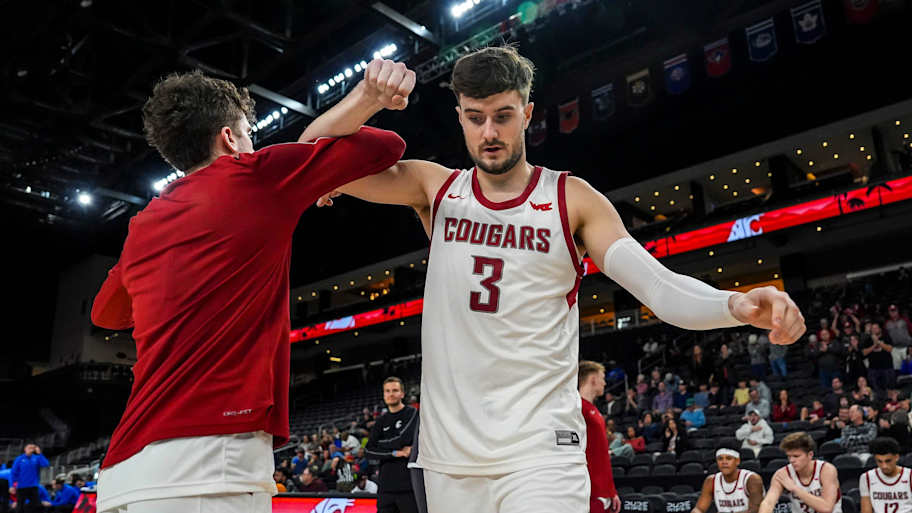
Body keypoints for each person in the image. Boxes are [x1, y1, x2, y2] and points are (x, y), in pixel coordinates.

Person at [317, 45, 806, 512]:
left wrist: (734, 305)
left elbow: (655, 285)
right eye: (475, 117)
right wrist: (367, 99)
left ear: (528, 114)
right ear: (460, 117)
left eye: (503, 115)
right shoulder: (434, 187)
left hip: (542, 450)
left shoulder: (572, 198)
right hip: (449, 457)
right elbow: (306, 160)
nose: (489, 132)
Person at [89, 61, 412, 513]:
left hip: (124, 474)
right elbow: (384, 147)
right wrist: (367, 100)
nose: (252, 144)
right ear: (228, 138)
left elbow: (105, 315)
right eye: (248, 134)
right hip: (208, 465)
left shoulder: (144, 222)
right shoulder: (255, 176)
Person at [366, 377, 419, 513]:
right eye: (387, 391)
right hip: (385, 487)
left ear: (402, 393)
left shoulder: (412, 413)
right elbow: (369, 451)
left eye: (395, 390)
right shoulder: (380, 421)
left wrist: (380, 444)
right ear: (384, 395)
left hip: (408, 486)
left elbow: (402, 438)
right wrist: (396, 453)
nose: (391, 394)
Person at [759, 432, 842, 513]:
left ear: (810, 455)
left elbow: (826, 508)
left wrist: (794, 488)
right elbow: (768, 503)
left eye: (796, 456)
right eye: (789, 456)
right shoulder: (783, 474)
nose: (791, 460)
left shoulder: (826, 470)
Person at [579, 361, 621, 513]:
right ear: (593, 379)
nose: (604, 382)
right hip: (589, 492)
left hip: (603, 493)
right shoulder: (577, 407)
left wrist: (611, 491)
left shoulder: (593, 410)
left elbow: (602, 455)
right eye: (602, 378)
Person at [691, 444, 764, 513]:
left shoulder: (752, 479)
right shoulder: (711, 480)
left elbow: (755, 510)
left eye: (728, 458)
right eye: (720, 459)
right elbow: (699, 508)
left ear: (737, 461)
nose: (724, 462)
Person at [860, 437, 912, 513]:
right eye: (879, 461)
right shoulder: (866, 477)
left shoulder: (909, 476)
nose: (884, 466)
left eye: (888, 461)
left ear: (896, 457)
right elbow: (866, 510)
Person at [10, 444, 48, 513]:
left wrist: (40, 453)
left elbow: (45, 464)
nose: (31, 449)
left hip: (33, 486)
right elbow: (14, 472)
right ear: (25, 449)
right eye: (29, 447)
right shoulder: (19, 459)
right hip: (21, 486)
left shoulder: (37, 458)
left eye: (33, 448)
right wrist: (12, 485)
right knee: (20, 507)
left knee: (37, 506)